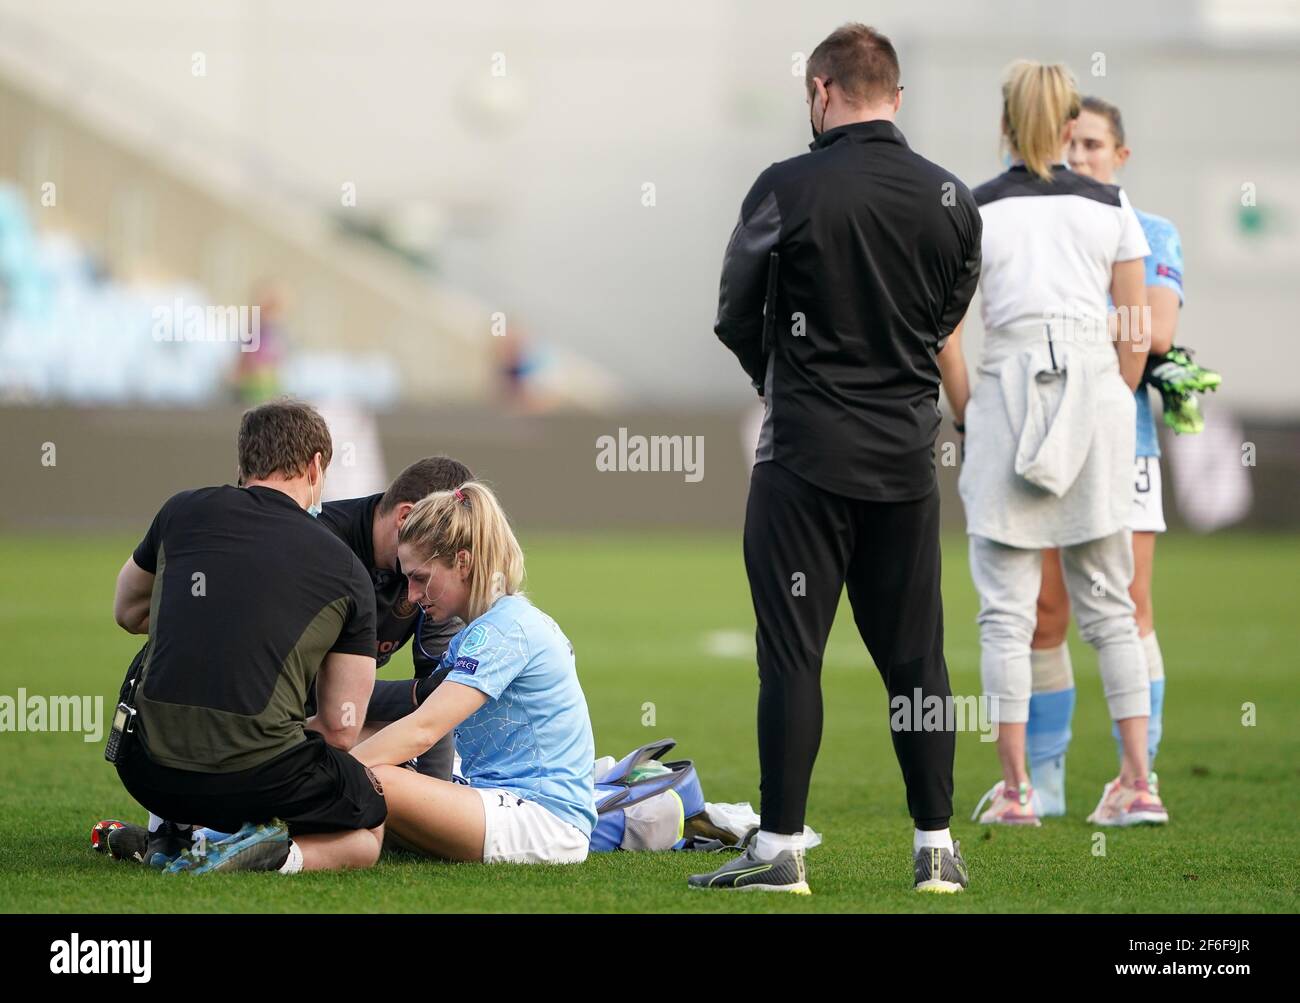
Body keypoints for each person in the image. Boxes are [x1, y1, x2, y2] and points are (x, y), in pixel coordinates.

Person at [692, 23, 982, 895]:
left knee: (791, 655)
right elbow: (947, 312)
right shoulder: (951, 198)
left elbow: (736, 309)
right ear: (896, 96)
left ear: (821, 91)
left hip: (805, 460)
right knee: (917, 662)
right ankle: (935, 848)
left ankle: (779, 850)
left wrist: (781, 379)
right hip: (904, 463)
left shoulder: (784, 185)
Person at [939, 62, 1169, 829]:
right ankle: (1138, 783)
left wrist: (971, 412)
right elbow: (1135, 329)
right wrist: (1111, 396)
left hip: (1006, 393)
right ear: (1071, 126)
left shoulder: (975, 209)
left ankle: (1016, 793)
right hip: (1097, 399)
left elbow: (946, 329)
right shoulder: (1113, 207)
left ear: (1006, 125)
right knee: (1110, 605)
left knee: (1005, 611)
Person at [111, 399, 386, 874]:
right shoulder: (345, 566)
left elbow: (127, 610)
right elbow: (342, 727)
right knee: (369, 826)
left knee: (153, 660)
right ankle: (272, 854)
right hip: (261, 781)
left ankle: (173, 833)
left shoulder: (180, 511)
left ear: (243, 462)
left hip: (146, 772)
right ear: (316, 466)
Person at [349, 482, 596, 865]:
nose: (412, 595)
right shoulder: (485, 628)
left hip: (545, 823)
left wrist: (330, 777)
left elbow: (423, 730)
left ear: (462, 563)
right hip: (499, 799)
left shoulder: (503, 630)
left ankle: (293, 830)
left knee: (376, 779)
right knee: (350, 742)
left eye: (420, 577)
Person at [318, 455, 473, 779]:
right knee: (383, 763)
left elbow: (437, 704)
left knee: (402, 761)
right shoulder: (321, 545)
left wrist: (435, 798)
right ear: (406, 517)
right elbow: (309, 694)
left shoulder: (433, 567)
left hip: (345, 718)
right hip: (282, 722)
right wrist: (417, 694)